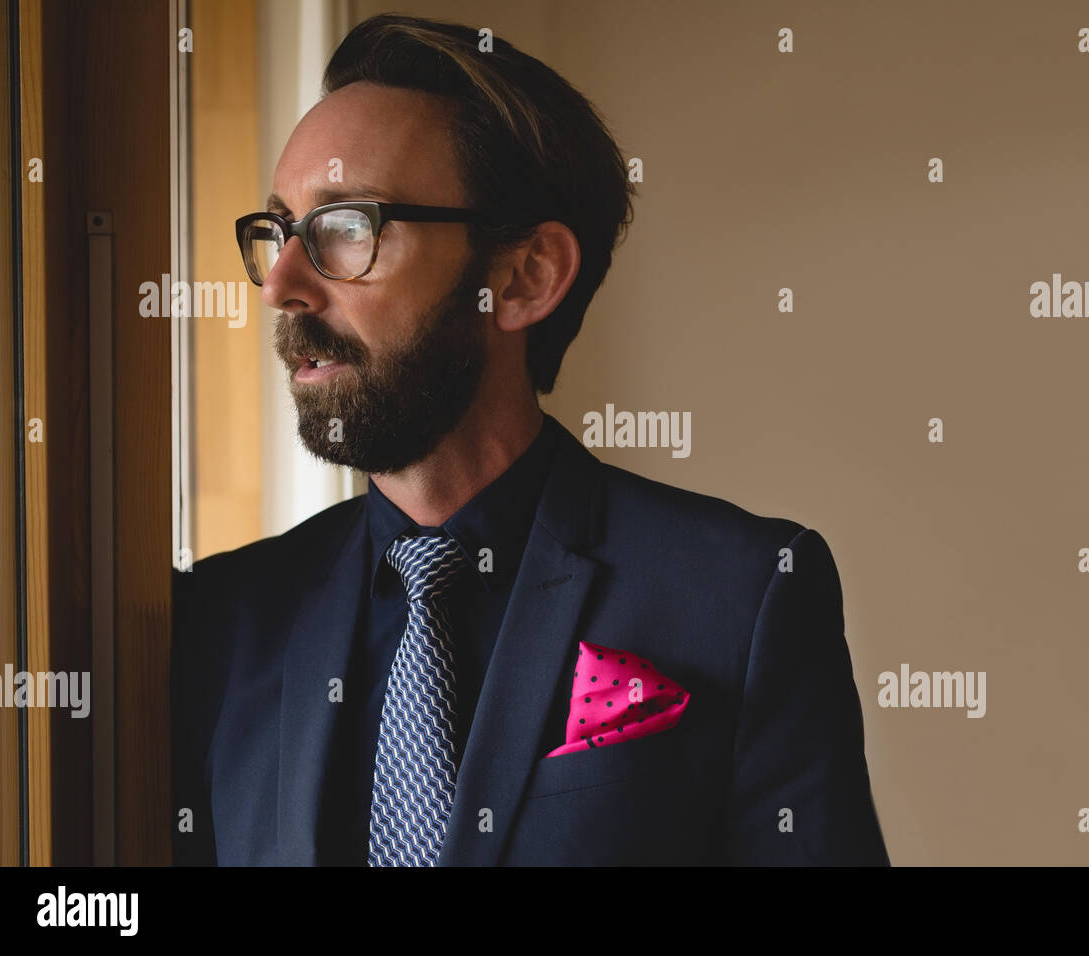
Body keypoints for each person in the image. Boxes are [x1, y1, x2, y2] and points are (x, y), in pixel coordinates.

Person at [171, 13, 889, 866]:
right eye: (279, 232)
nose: (282, 285)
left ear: (524, 277)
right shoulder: (220, 620)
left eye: (346, 229)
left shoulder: (745, 597)